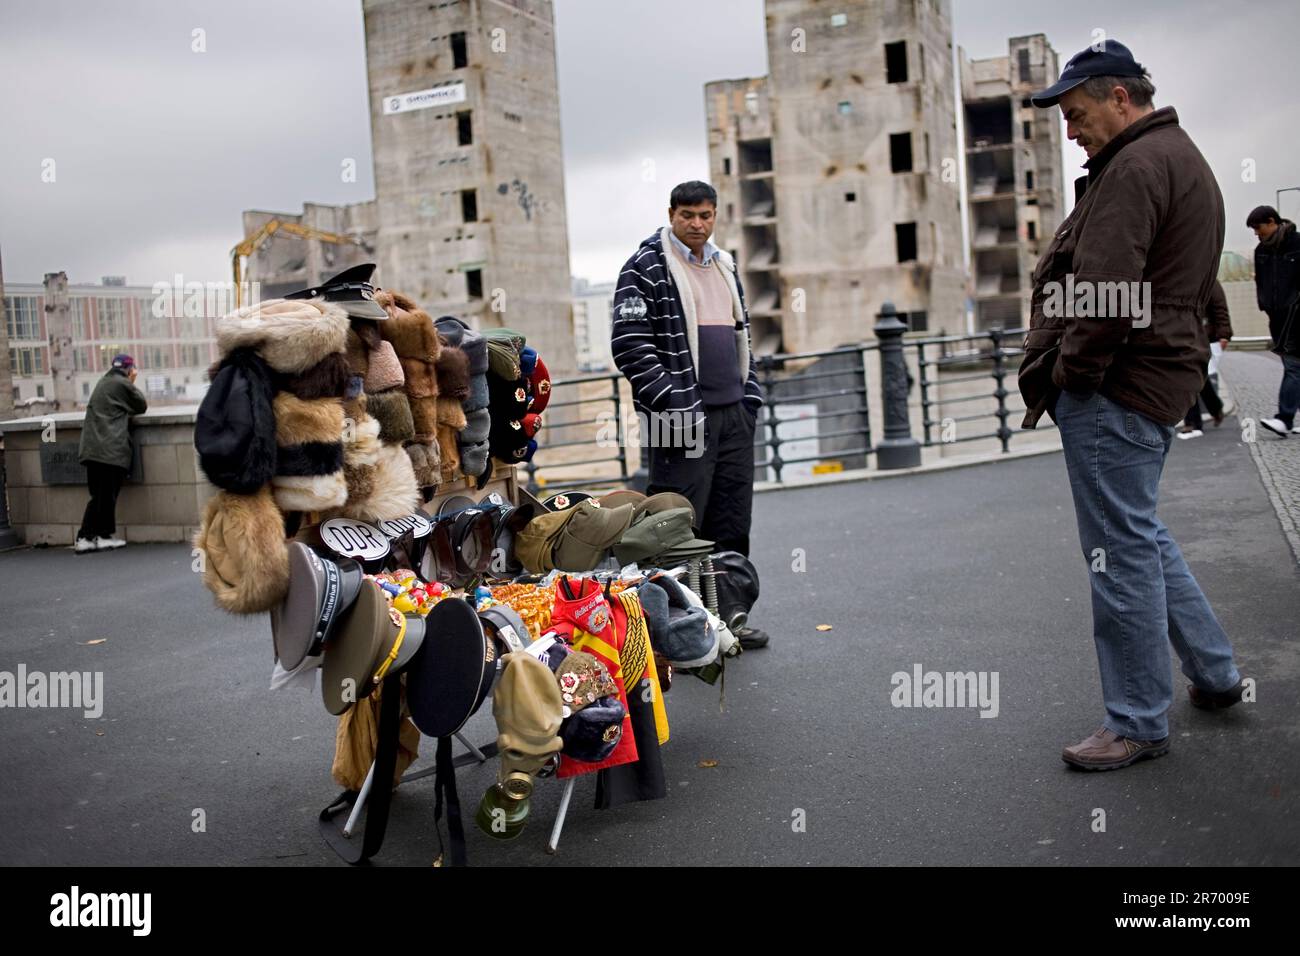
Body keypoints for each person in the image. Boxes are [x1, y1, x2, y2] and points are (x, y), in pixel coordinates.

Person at [1018, 40, 1245, 771]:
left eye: (1077, 113)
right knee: (1140, 536)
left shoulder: (1133, 168)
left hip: (1117, 387)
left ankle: (1137, 719)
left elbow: (1108, 293)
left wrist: (1071, 375)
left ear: (1120, 97)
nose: (1071, 129)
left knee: (1118, 556)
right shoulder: (1182, 157)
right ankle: (1214, 673)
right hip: (1157, 378)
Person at [610, 180, 770, 649]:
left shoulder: (725, 265)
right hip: (678, 420)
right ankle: (674, 631)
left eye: (705, 215)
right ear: (671, 214)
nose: (697, 224)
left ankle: (729, 620)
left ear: (715, 215)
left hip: (733, 417)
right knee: (676, 527)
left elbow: (745, 338)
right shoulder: (646, 266)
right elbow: (629, 346)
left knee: (731, 523)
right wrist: (677, 403)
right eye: (687, 216)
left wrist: (750, 398)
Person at [75, 353, 148, 553]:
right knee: (105, 497)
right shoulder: (122, 383)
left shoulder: (104, 381)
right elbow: (141, 405)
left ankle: (90, 537)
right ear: (129, 368)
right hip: (110, 450)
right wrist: (132, 382)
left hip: (92, 449)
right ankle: (96, 536)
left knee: (98, 496)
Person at [1247, 205, 1300, 437]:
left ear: (1272, 221)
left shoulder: (1298, 244)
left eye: (1258, 228)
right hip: (1277, 318)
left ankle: (1284, 419)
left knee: (1293, 366)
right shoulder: (1261, 251)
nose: (1257, 233)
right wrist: (1265, 306)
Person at [1177, 279, 1233, 439]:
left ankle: (1193, 423)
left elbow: (1219, 307)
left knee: (1192, 379)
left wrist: (1224, 334)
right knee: (1198, 380)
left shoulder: (1209, 280)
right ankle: (1215, 409)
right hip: (1188, 338)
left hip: (1207, 339)